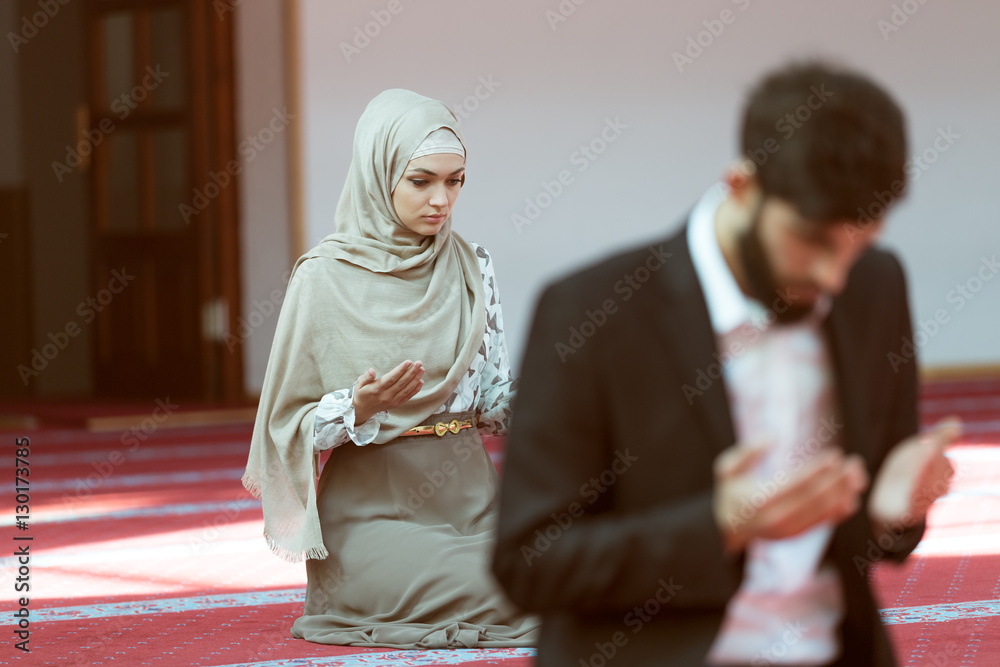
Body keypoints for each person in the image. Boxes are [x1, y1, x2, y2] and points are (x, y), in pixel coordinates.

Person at [491, 61, 960, 666]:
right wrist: (718, 526)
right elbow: (528, 564)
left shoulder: (875, 286)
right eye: (813, 240)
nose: (832, 276)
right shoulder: (593, 316)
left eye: (858, 243)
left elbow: (866, 534)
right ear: (742, 185)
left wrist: (891, 515)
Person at [243, 89, 538, 649]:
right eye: (421, 180)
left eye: (455, 182)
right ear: (379, 174)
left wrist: (557, 388)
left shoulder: (472, 267)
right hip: (374, 515)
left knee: (584, 560)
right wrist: (358, 408)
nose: (441, 200)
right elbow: (286, 428)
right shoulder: (323, 278)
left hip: (476, 503)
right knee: (521, 583)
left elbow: (493, 405)